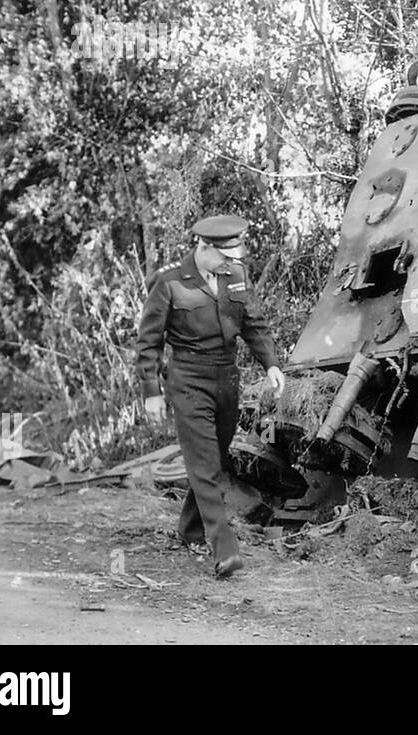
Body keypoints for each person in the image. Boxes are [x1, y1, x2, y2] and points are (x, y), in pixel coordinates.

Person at [135, 214, 286, 579]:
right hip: (188, 379)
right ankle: (225, 548)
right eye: (223, 256)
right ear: (203, 248)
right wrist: (151, 392)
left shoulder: (235, 276)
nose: (229, 262)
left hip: (226, 379)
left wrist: (271, 364)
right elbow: (148, 343)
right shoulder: (169, 282)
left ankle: (189, 528)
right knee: (204, 464)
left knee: (213, 459)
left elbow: (254, 324)